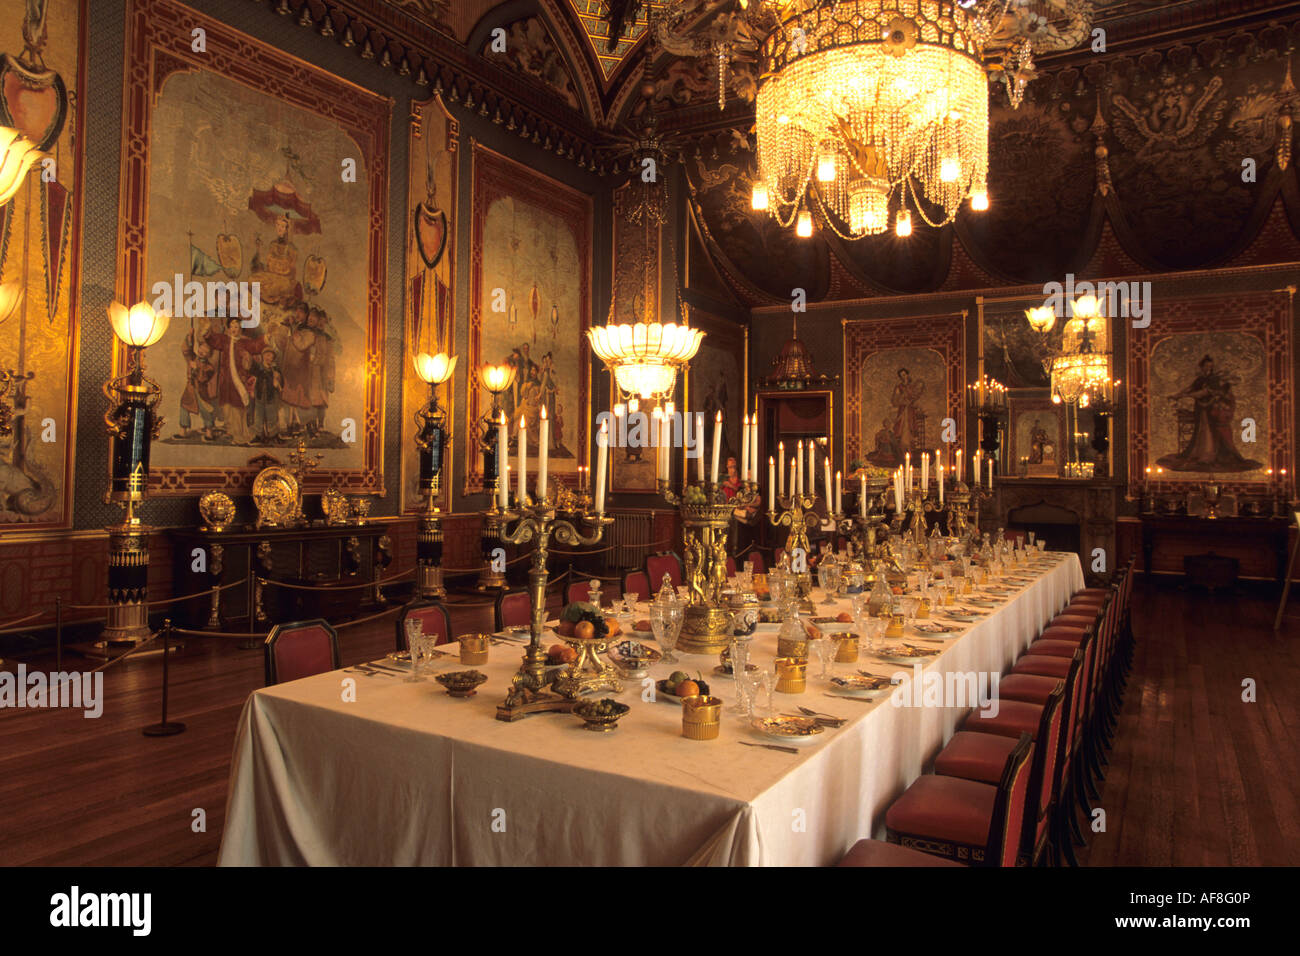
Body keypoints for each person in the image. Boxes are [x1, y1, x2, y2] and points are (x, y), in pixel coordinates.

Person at [1157, 354, 1263, 472]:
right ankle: (1200, 452)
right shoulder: (1200, 379)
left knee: (1209, 430)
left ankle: (1208, 454)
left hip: (1211, 408)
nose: (1209, 368)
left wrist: (1185, 396)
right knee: (1201, 430)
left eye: (1210, 366)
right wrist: (1177, 395)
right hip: (1200, 408)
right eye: (1206, 366)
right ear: (1201, 367)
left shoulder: (1214, 379)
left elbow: (1203, 392)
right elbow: (1190, 388)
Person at [204, 316, 261, 443]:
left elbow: (256, 346)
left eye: (237, 326)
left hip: (239, 378)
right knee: (226, 404)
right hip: (226, 378)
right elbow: (212, 340)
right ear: (228, 328)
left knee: (238, 404)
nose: (234, 329)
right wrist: (207, 330)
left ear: (240, 328)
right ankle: (231, 431)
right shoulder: (224, 340)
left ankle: (240, 434)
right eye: (232, 326)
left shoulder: (244, 342)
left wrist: (249, 358)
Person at [178, 332, 217, 440]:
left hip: (201, 390)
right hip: (190, 388)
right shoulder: (193, 358)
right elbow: (186, 350)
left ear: (209, 355)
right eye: (201, 349)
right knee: (184, 406)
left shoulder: (209, 367)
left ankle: (209, 431)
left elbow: (202, 379)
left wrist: (196, 368)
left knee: (205, 409)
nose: (202, 352)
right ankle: (183, 431)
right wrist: (189, 337)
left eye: (205, 352)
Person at [890, 367, 925, 457]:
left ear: (907, 375)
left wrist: (913, 402)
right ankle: (903, 450)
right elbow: (894, 400)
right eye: (901, 376)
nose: (903, 377)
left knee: (910, 427)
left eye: (904, 375)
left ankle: (910, 449)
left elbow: (916, 395)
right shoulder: (899, 387)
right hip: (903, 409)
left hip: (910, 410)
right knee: (902, 428)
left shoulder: (912, 386)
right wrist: (902, 399)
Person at [251, 348, 283, 443]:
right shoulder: (258, 368)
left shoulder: (275, 369)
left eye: (271, 356)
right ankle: (258, 436)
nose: (270, 358)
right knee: (258, 416)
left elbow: (281, 383)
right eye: (267, 355)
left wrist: (278, 381)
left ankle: (274, 436)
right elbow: (252, 380)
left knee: (272, 416)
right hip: (260, 395)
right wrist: (252, 390)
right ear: (263, 356)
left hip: (271, 396)